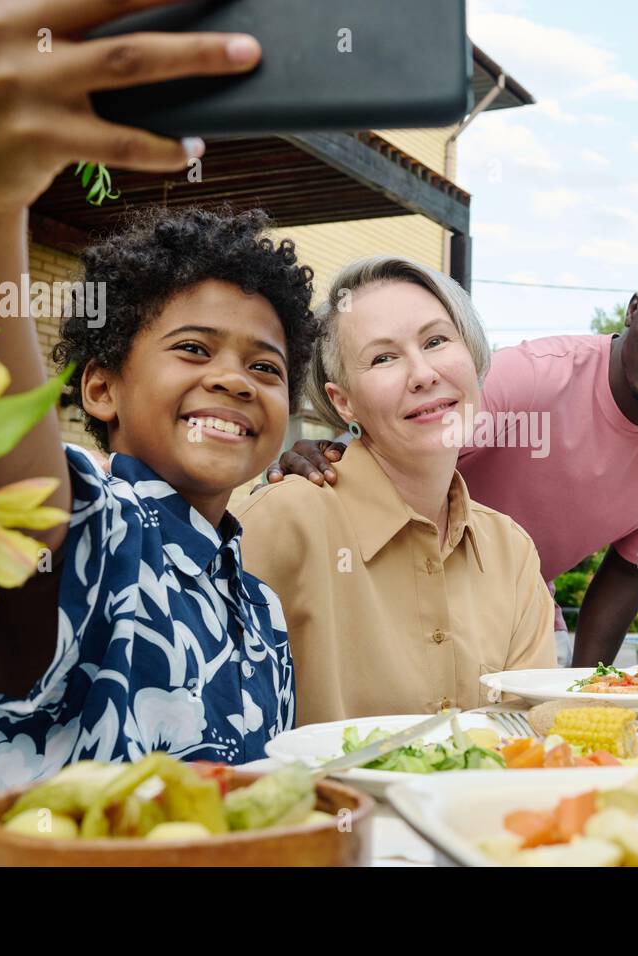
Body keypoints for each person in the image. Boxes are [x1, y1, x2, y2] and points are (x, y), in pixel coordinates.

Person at [0, 1, 311, 847]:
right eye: (194, 349)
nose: (234, 378)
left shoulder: (262, 610)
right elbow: (11, 488)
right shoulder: (91, 522)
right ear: (100, 389)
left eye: (265, 367)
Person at [273, 254, 638, 667]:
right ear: (635, 310)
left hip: (516, 610)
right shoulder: (531, 378)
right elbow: (405, 427)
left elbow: (630, 568)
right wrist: (336, 447)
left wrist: (586, 691)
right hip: (404, 585)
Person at [235, 257, 556, 724]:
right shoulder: (283, 521)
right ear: (343, 401)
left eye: (437, 341)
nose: (423, 373)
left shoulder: (511, 551)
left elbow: (529, 740)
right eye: (383, 357)